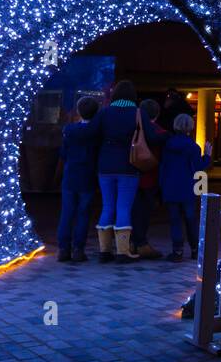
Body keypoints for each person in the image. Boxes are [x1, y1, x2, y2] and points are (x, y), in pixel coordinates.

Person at [76, 81, 150, 262]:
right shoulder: (138, 113)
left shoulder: (104, 112)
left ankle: (104, 251)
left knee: (107, 206)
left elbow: (88, 133)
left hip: (105, 165)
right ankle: (123, 252)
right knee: (123, 207)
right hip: (128, 166)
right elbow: (151, 136)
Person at [159, 113, 212, 262]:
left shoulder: (168, 144)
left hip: (170, 185)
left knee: (174, 219)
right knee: (190, 218)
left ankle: (177, 250)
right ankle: (195, 249)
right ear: (190, 127)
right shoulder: (193, 147)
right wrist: (207, 156)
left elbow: (163, 166)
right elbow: (199, 168)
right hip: (188, 187)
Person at [56, 96, 100, 262]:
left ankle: (63, 249)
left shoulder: (69, 130)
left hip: (70, 175)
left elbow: (63, 154)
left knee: (67, 212)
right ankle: (78, 250)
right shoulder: (96, 132)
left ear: (79, 111)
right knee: (83, 213)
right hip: (87, 176)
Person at [130, 98, 169, 258]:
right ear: (157, 114)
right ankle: (141, 243)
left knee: (132, 210)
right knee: (144, 212)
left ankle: (131, 242)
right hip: (150, 176)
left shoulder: (134, 129)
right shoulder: (161, 133)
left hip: (132, 175)